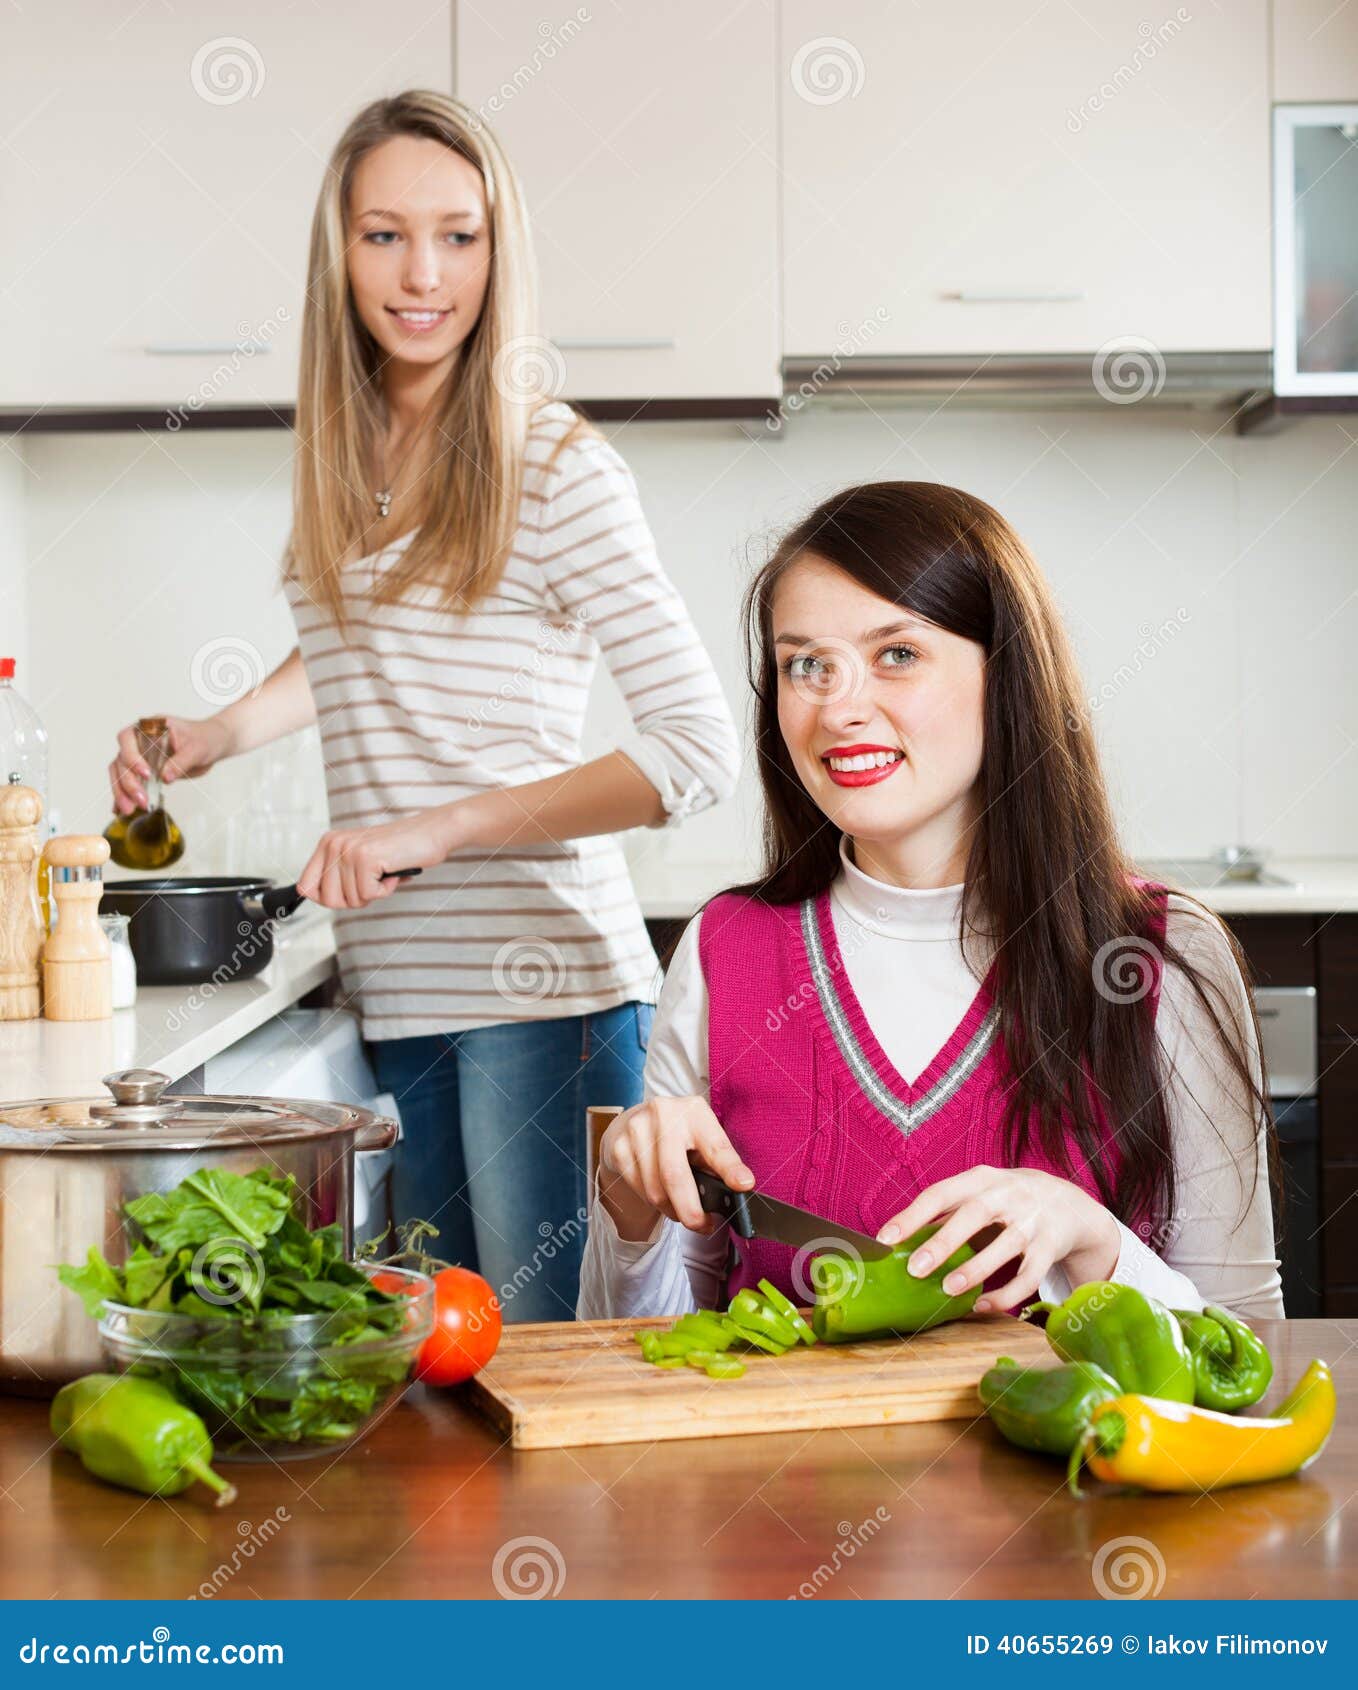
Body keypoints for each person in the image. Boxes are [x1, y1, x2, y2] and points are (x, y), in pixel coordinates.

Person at [108, 91, 739, 1321]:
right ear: (336, 254)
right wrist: (218, 733)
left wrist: (434, 829)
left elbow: (694, 751)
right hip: (401, 987)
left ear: (500, 255)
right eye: (384, 234)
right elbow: (359, 644)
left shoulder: (554, 467)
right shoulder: (347, 463)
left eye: (460, 235)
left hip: (539, 993)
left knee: (541, 1377)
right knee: (446, 1384)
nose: (422, 275)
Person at [578, 481, 1284, 1323]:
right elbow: (647, 1351)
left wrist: (1096, 1243)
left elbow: (1251, 1348)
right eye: (807, 664)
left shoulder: (1160, 954)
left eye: (898, 655)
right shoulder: (722, 949)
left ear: (1006, 674)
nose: (839, 708)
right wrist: (628, 1220)